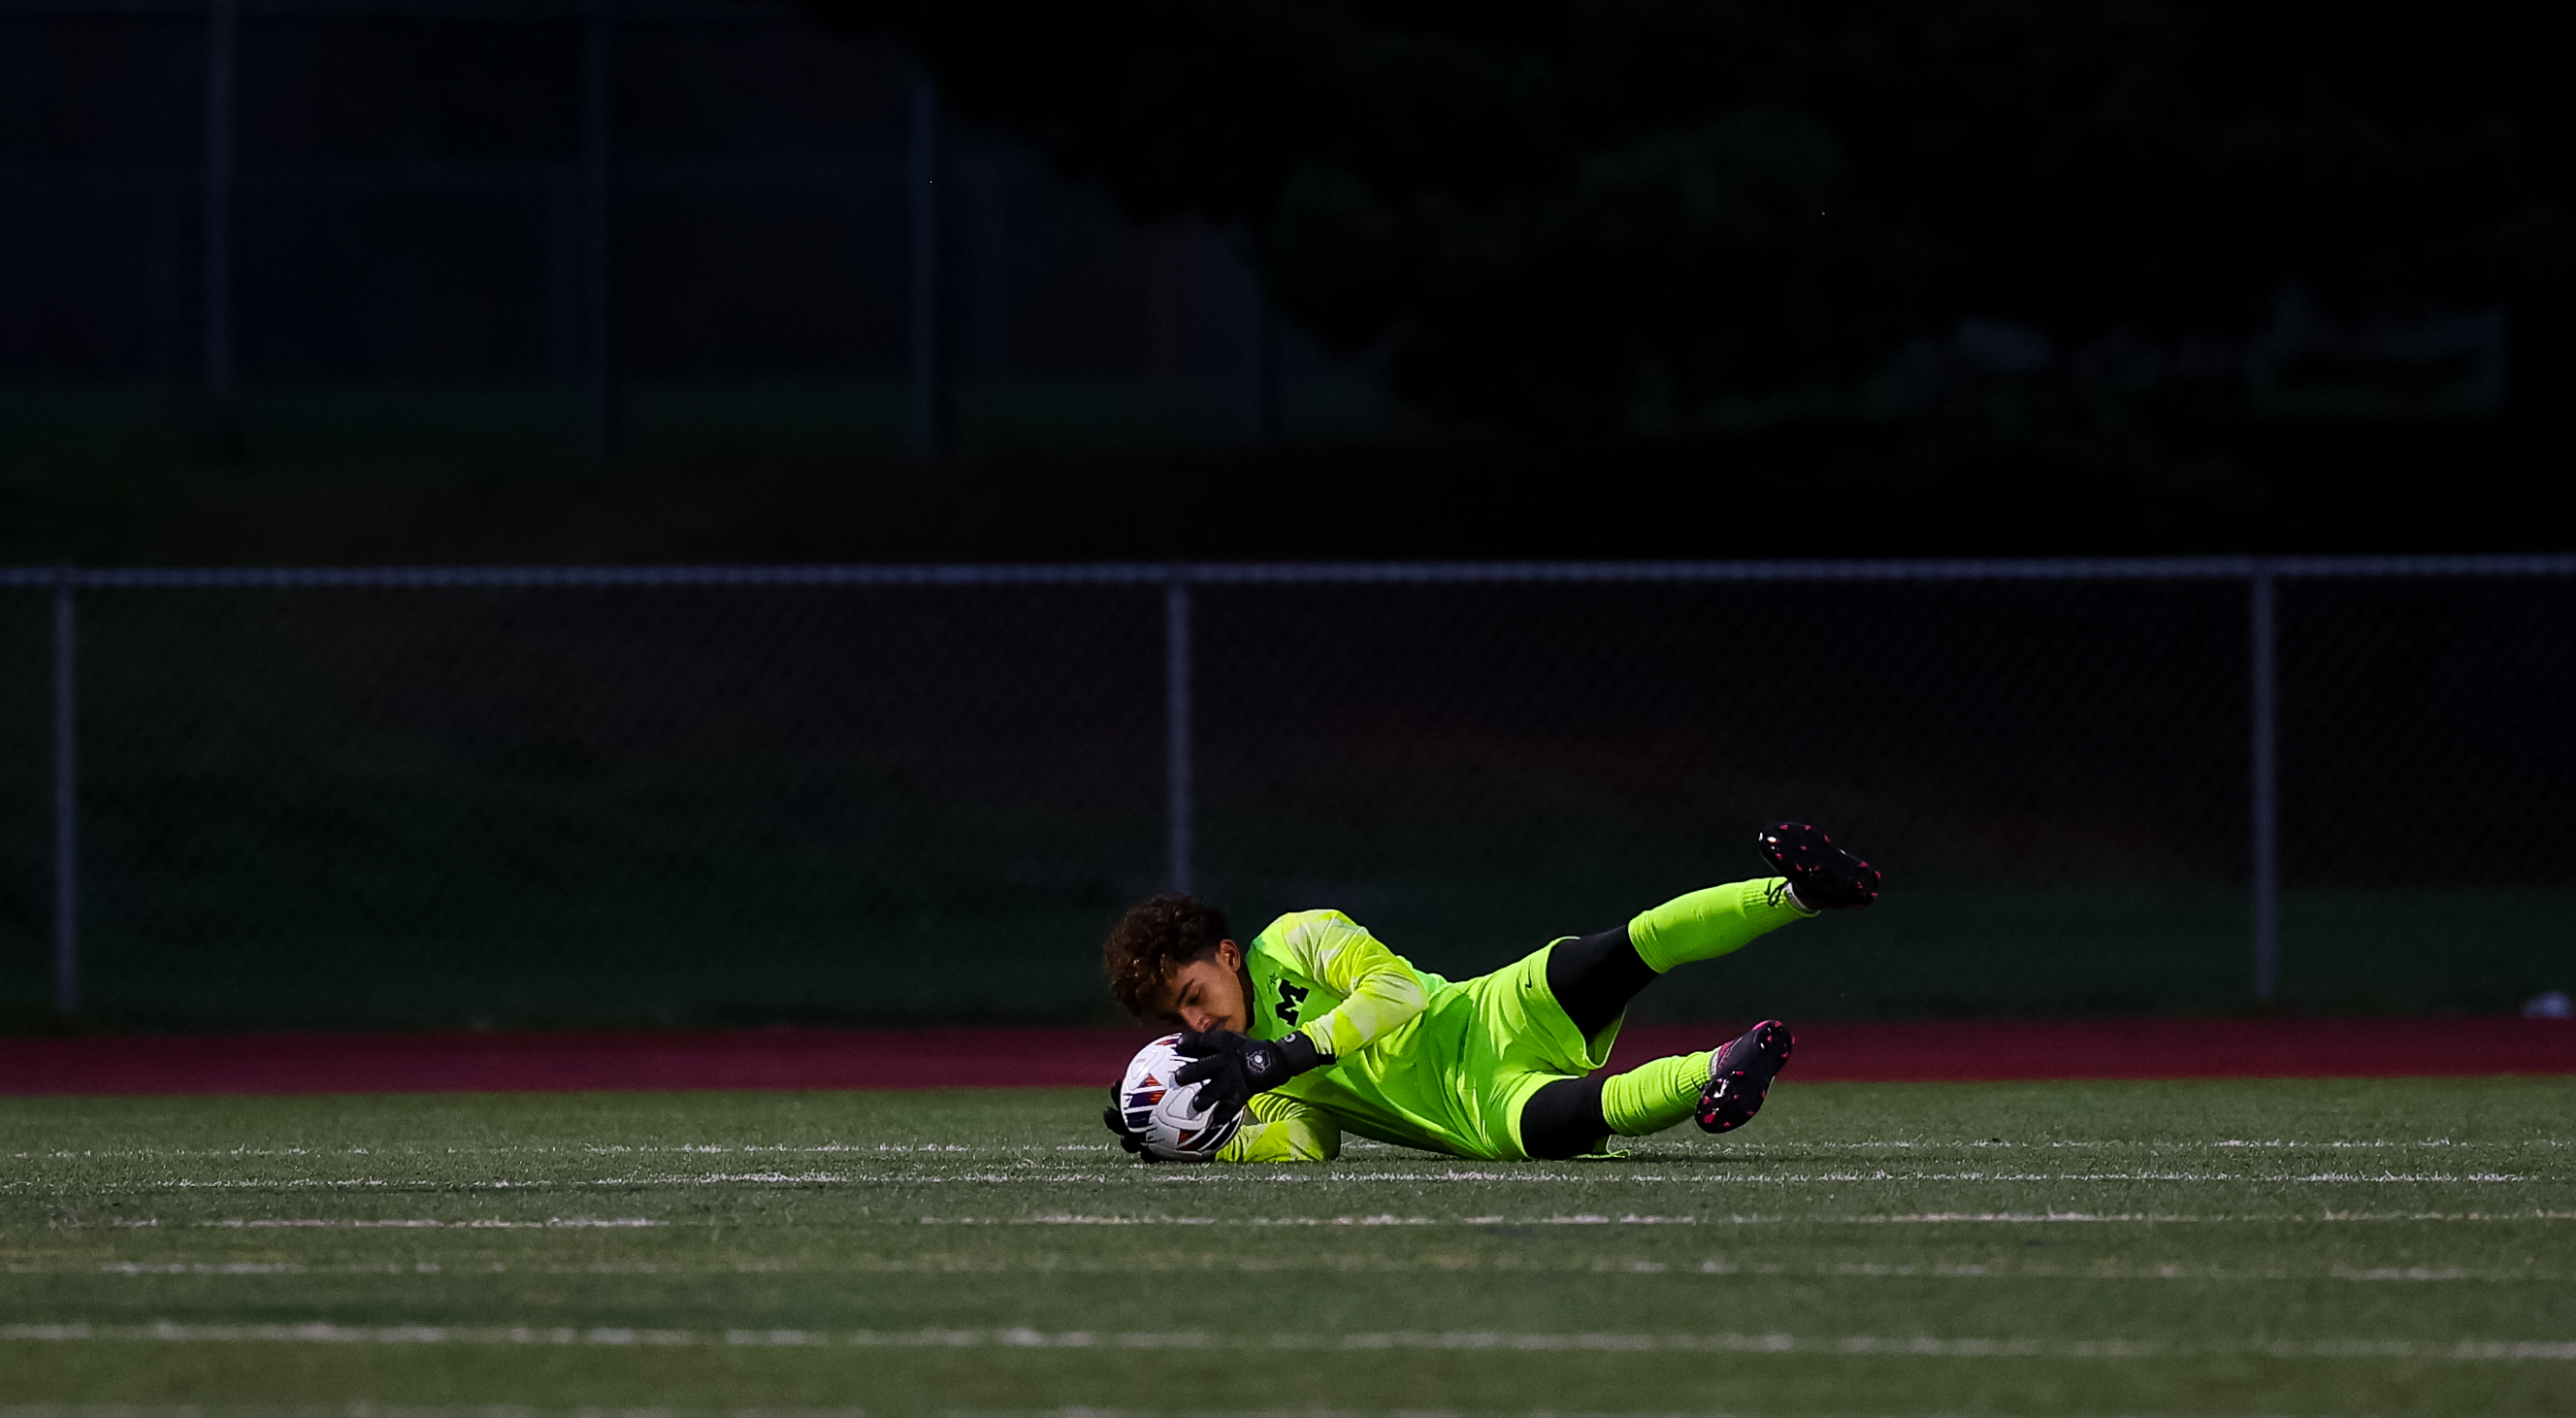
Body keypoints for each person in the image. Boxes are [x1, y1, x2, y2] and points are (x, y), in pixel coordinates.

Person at [1099, 822, 1880, 1163]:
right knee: (1576, 1116)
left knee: (1617, 949)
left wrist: (1282, 1054)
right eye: (1178, 1019)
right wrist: (1206, 1140)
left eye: (1194, 994)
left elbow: (1397, 990)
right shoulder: (1244, 1079)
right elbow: (1309, 1145)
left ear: (1229, 955)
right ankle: (1720, 1067)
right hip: (1475, 1109)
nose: (1196, 1022)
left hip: (1482, 1007)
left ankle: (1802, 893)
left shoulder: (1297, 938)